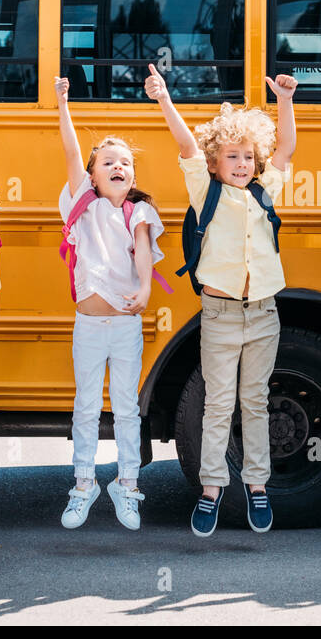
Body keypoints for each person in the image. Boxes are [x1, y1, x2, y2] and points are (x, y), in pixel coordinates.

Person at [145, 64, 297, 536]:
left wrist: (286, 101)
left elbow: (287, 149)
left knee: (254, 404)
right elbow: (186, 144)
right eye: (232, 156)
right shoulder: (204, 190)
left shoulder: (262, 192)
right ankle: (211, 491)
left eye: (248, 156)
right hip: (220, 314)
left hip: (264, 313)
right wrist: (165, 100)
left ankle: (256, 487)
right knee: (218, 404)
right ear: (215, 162)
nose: (242, 164)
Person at [54, 75, 164, 530]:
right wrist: (63, 104)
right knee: (84, 405)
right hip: (87, 325)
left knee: (125, 406)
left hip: (123, 326)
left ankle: (128, 484)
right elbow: (70, 152)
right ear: (93, 175)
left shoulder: (138, 210)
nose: (118, 167)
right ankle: (83, 484)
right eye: (108, 162)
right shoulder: (82, 202)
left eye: (125, 162)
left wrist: (144, 290)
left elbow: (142, 251)